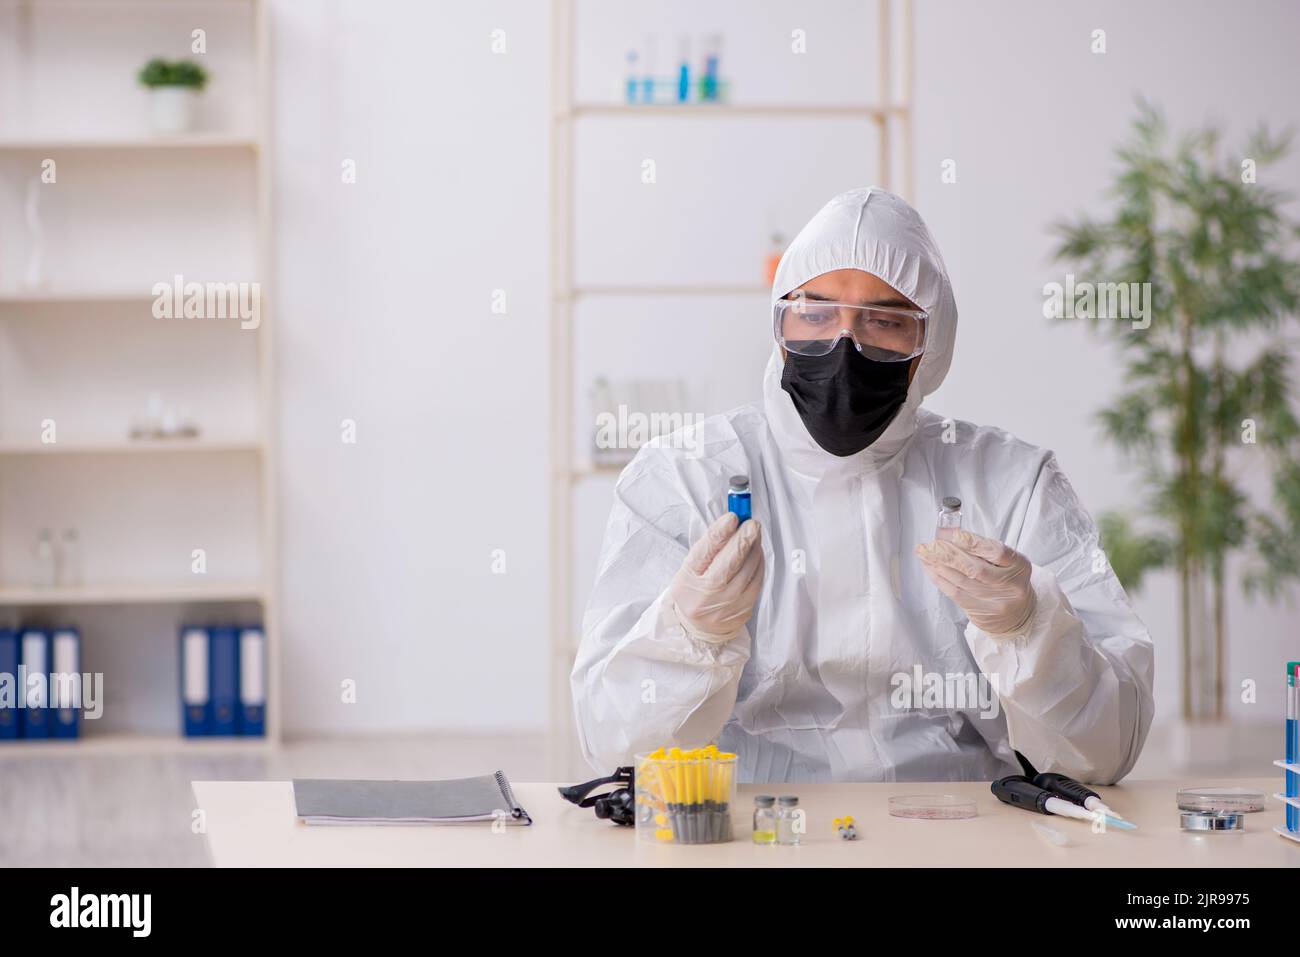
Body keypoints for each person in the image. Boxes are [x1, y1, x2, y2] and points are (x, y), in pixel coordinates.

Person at [571, 187, 1154, 784]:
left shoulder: (1011, 482)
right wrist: (688, 637)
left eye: (884, 321)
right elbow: (613, 745)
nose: (845, 346)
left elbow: (1107, 754)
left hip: (955, 828)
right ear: (779, 323)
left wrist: (1030, 630)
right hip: (743, 828)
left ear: (931, 344)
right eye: (815, 312)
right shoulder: (685, 475)